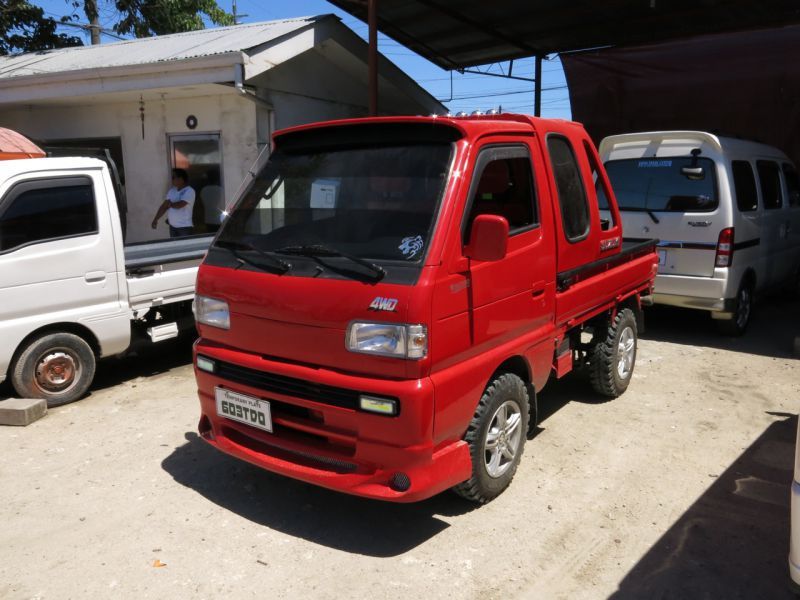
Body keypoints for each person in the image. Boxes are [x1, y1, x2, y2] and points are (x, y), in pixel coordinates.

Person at [151, 168, 195, 237]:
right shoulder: (172, 191)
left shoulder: (189, 191)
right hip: (172, 227)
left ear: (181, 179)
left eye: (173, 177)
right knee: (175, 247)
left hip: (184, 228)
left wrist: (169, 205)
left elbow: (180, 204)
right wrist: (156, 219)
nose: (171, 179)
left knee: (184, 247)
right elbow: (163, 206)